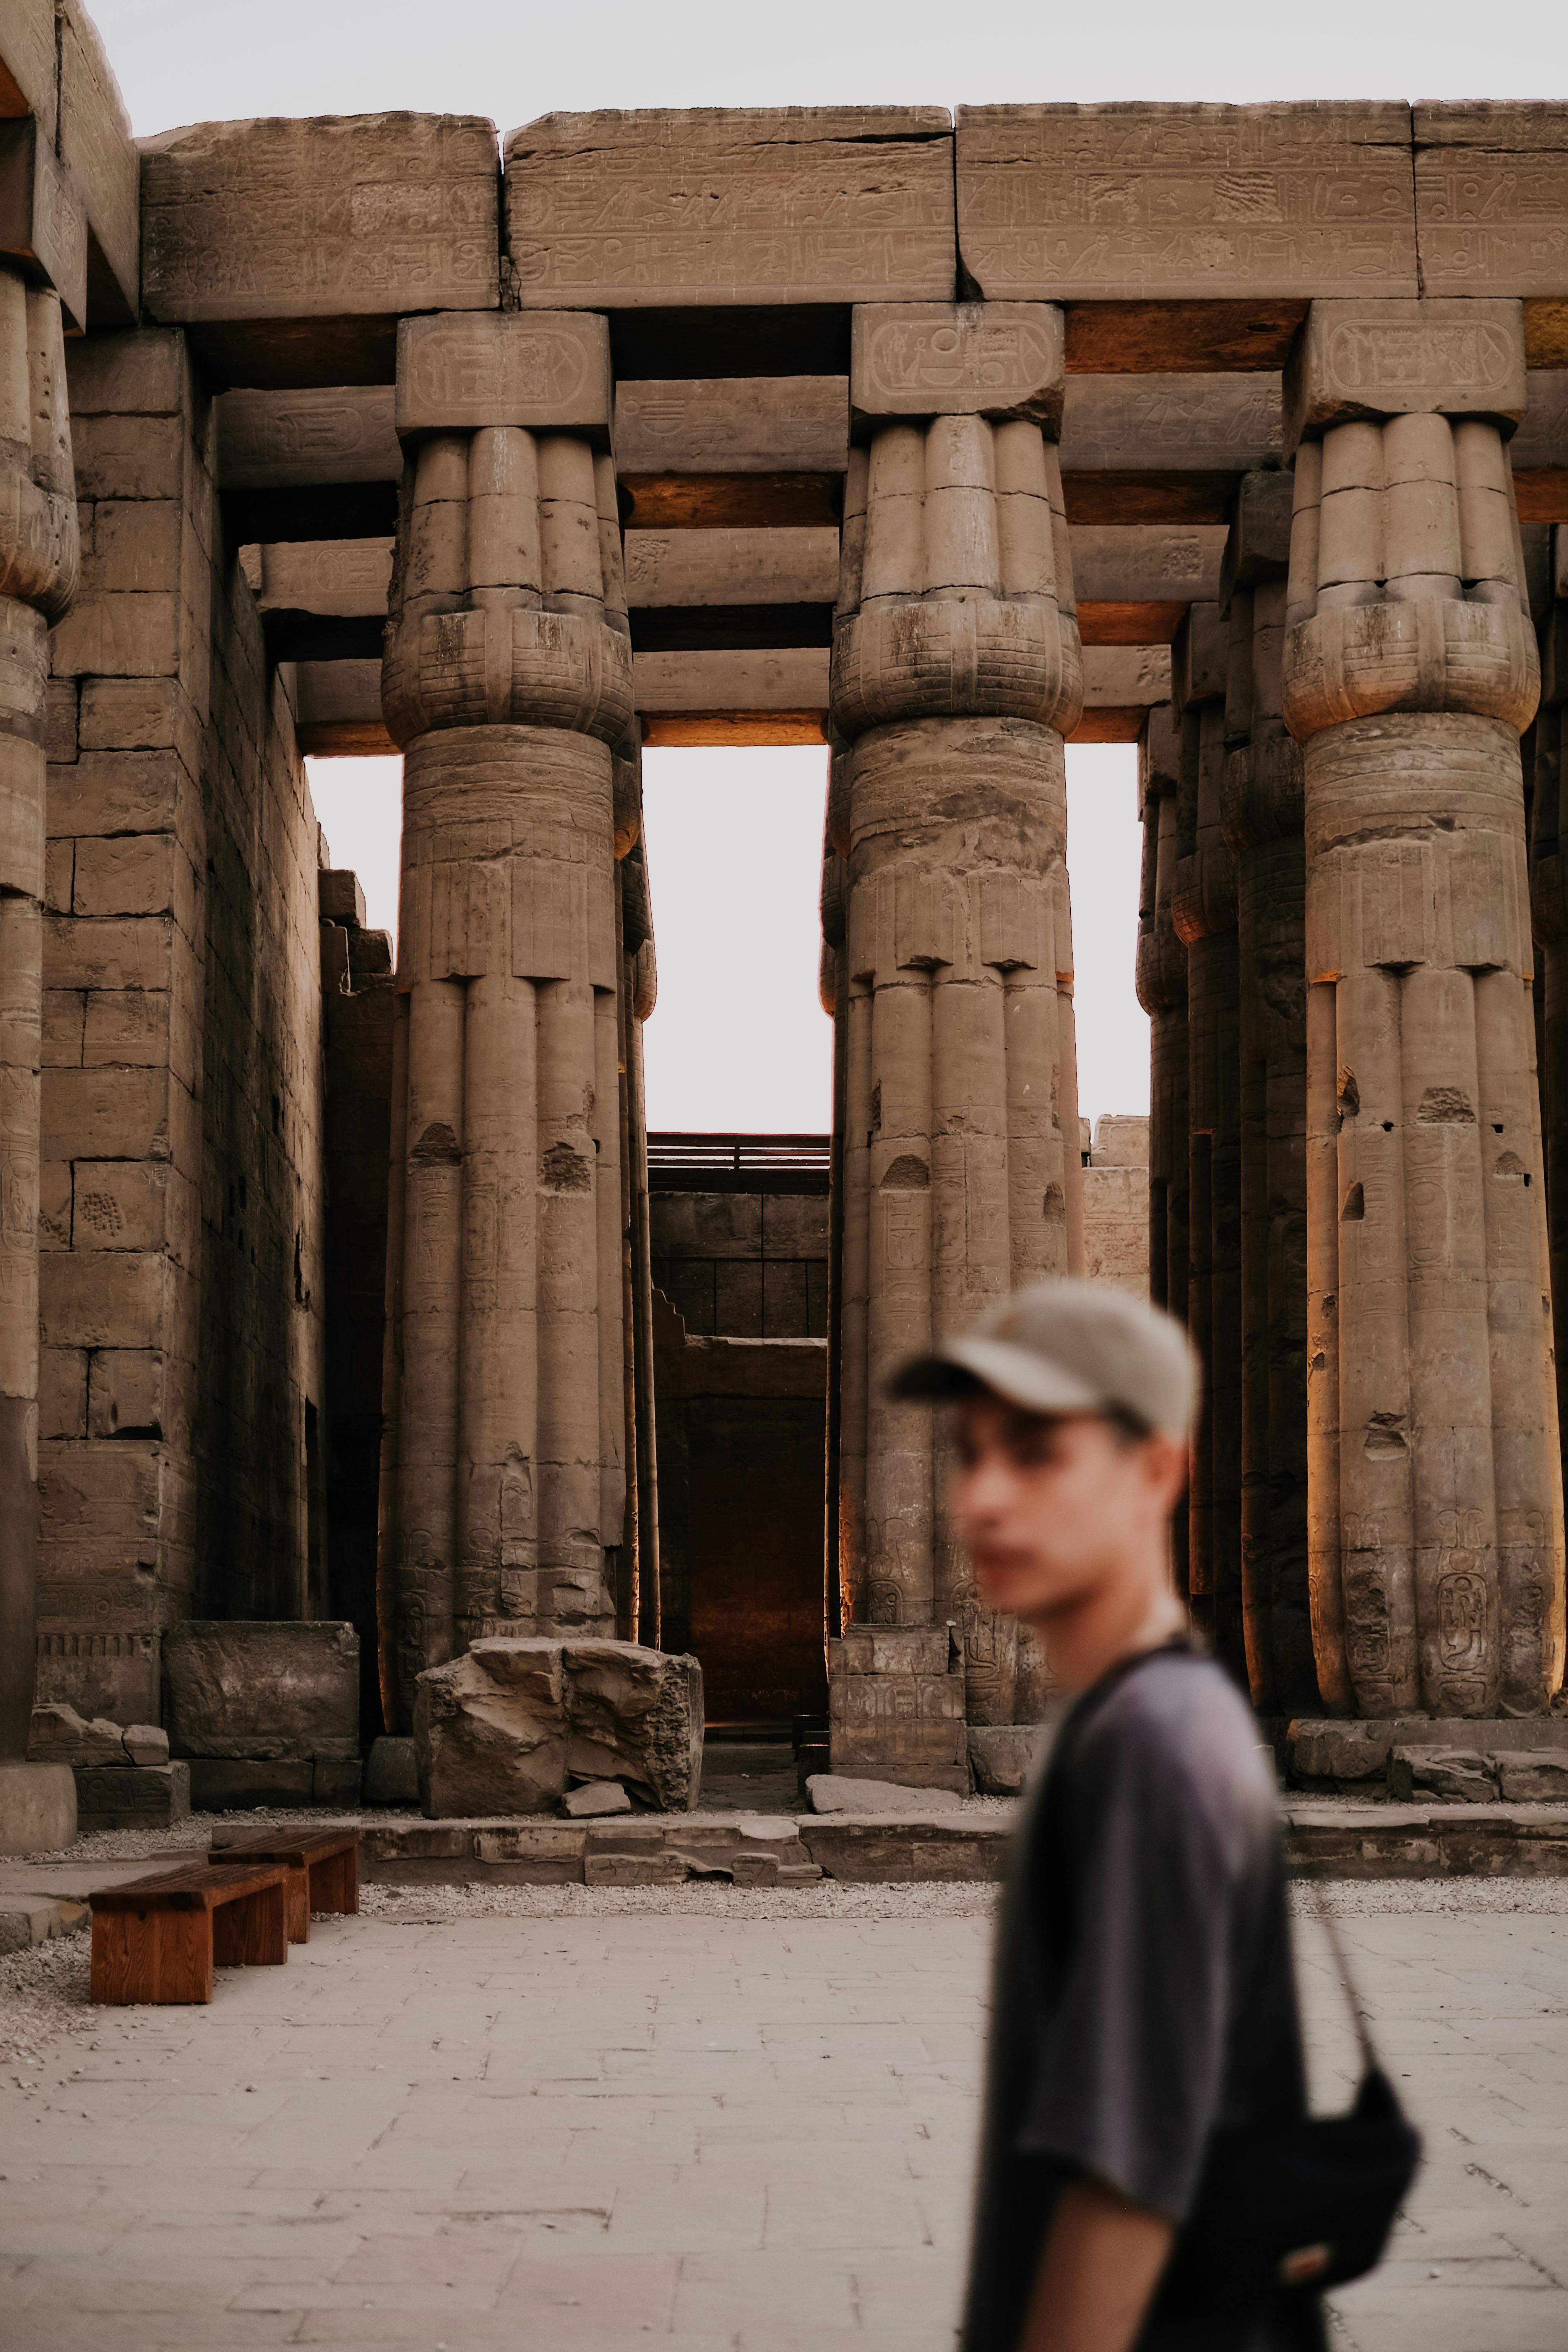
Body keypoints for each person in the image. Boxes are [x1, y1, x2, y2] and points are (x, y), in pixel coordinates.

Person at [893, 1280, 1322, 2352]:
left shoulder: (1152, 1746)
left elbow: (1125, 2179)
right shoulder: (1139, 1718)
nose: (984, 1497)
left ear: (1156, 1471)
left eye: (1036, 1453)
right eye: (969, 1453)